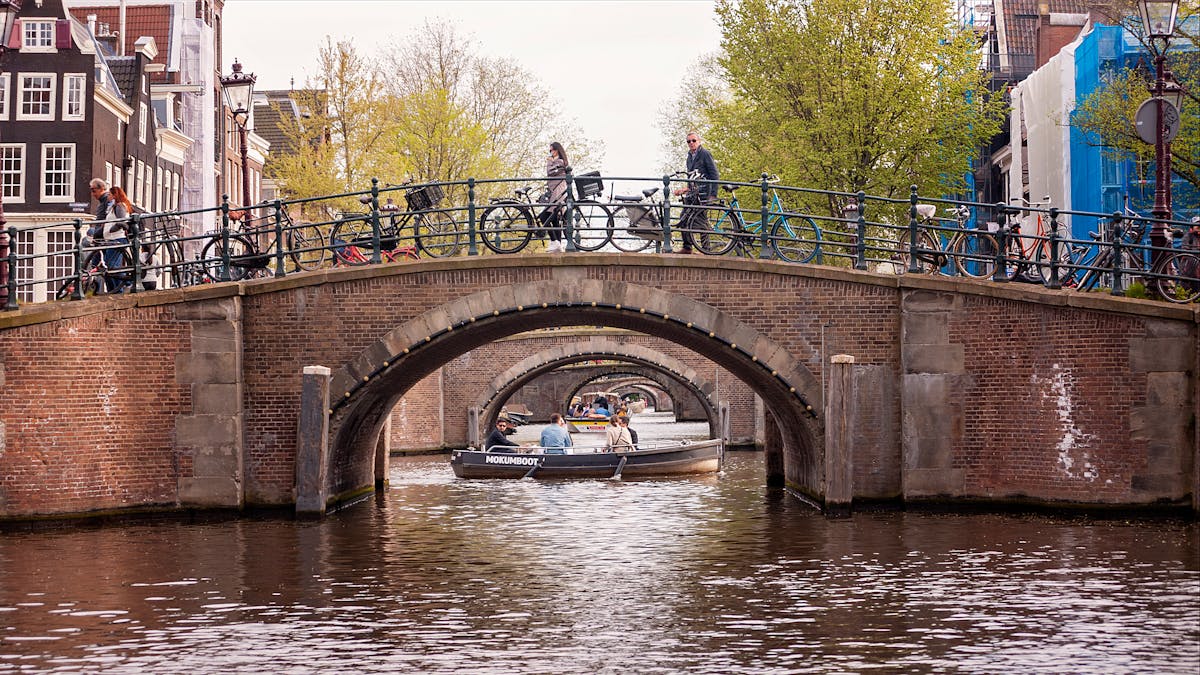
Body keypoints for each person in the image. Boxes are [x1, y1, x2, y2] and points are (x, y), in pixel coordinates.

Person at [671, 132, 719, 254]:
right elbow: (691, 178)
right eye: (689, 141)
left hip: (703, 193)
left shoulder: (705, 154)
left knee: (702, 221)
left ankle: (706, 249)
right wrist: (685, 189)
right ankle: (687, 247)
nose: (691, 143)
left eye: (693, 140)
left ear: (699, 141)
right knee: (683, 218)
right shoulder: (689, 157)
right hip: (693, 194)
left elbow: (714, 174)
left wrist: (713, 194)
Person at [89, 179, 131, 292]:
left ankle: (121, 288)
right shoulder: (113, 206)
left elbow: (121, 221)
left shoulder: (119, 206)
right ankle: (112, 290)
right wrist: (100, 233)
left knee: (111, 266)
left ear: (114, 195)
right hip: (110, 239)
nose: (108, 196)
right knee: (107, 266)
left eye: (110, 194)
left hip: (117, 239)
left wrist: (111, 230)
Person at [540, 141, 569, 253]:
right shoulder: (555, 162)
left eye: (552, 150)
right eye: (550, 150)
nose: (550, 152)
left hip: (559, 191)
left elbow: (550, 172)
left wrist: (551, 162)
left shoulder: (561, 162)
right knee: (555, 217)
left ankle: (554, 241)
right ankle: (557, 244)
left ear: (557, 150)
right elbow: (551, 172)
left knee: (545, 216)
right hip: (554, 192)